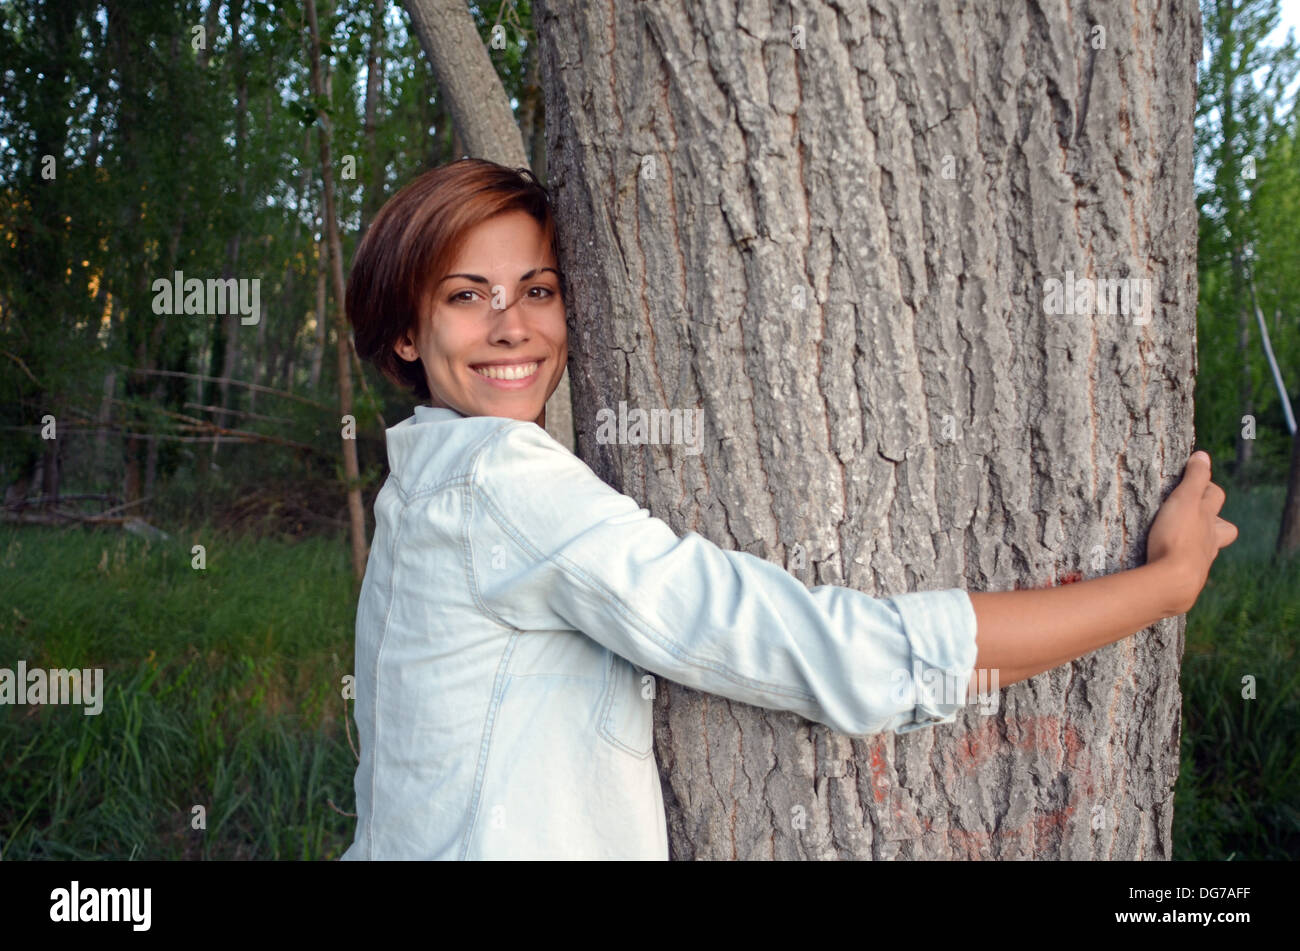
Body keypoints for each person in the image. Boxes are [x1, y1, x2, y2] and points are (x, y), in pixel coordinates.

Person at [339, 158, 1237, 860]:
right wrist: (1163, 587)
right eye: (467, 295)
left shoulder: (423, 482)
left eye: (538, 289)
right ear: (406, 332)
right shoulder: (499, 479)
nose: (513, 326)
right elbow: (823, 650)